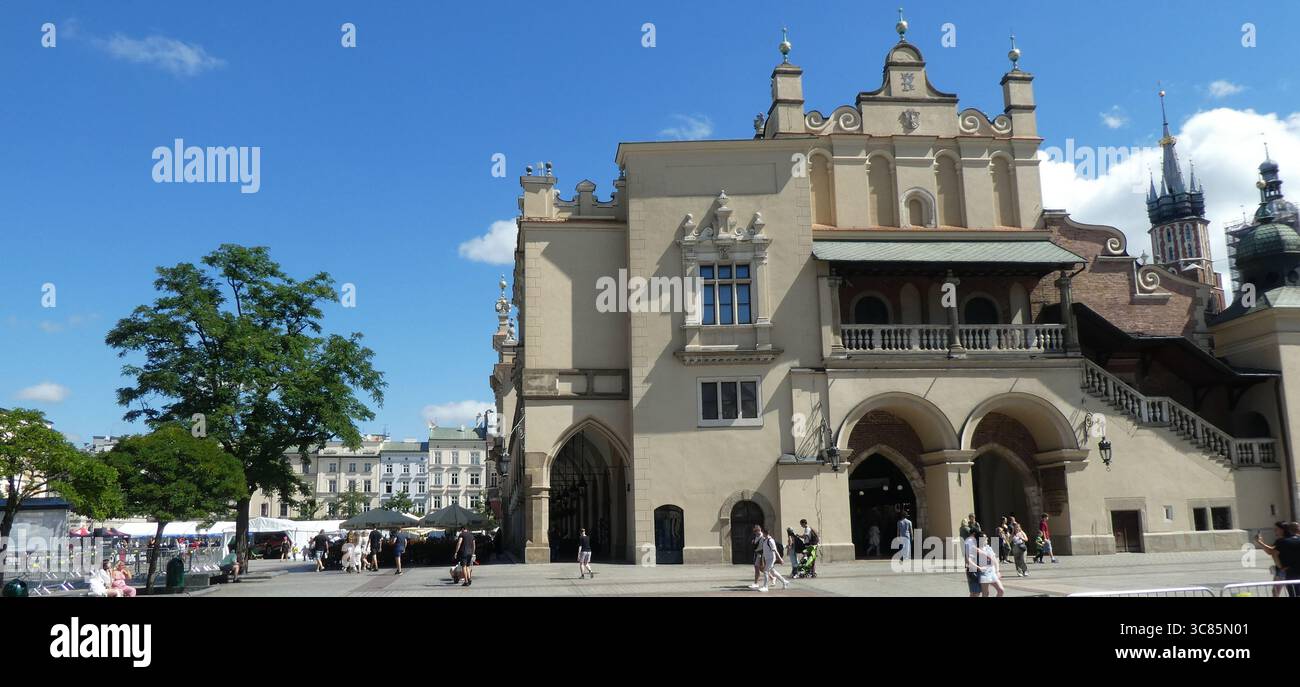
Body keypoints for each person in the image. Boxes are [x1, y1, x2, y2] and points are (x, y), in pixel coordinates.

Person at [760, 525, 789, 591]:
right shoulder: (765, 540)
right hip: (767, 558)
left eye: (762, 533)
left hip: (771, 558)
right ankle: (785, 582)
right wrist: (763, 559)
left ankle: (765, 587)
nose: (762, 534)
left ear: (765, 533)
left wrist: (780, 559)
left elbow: (775, 550)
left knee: (765, 571)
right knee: (773, 572)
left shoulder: (770, 540)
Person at [963, 527, 983, 598]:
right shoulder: (970, 541)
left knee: (974, 592)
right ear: (974, 533)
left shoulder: (967, 540)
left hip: (971, 566)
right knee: (976, 592)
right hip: (973, 567)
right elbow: (968, 556)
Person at [748, 525, 765, 589]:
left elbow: (764, 547)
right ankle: (772, 577)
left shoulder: (763, 537)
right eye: (754, 531)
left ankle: (756, 583)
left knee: (758, 568)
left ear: (759, 530)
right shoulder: (756, 536)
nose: (754, 532)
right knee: (761, 569)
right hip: (756, 554)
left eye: (755, 531)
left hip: (760, 555)